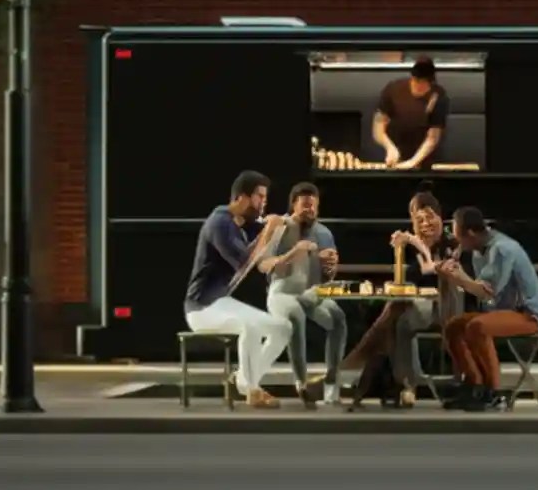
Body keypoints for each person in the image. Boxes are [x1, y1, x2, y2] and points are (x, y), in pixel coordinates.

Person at [339, 181, 460, 410]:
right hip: (419, 307)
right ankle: (404, 384)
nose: (425, 224)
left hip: (446, 307)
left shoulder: (451, 243)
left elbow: (434, 270)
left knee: (394, 313)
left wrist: (414, 242)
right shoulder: (416, 250)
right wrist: (400, 251)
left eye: (430, 218)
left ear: (441, 217)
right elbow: (407, 283)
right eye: (419, 220)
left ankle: (359, 366)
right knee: (398, 321)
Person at [183, 170, 292, 409]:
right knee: (250, 326)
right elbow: (245, 262)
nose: (263, 203)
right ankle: (252, 390)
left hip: (222, 302)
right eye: (259, 197)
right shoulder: (220, 222)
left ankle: (243, 379)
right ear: (241, 197)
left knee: (283, 328)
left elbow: (260, 256)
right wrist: (269, 231)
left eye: (265, 198)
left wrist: (278, 230)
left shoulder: (244, 224)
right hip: (201, 308)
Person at [436, 206, 538, 412]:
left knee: (477, 327)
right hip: (499, 311)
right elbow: (481, 289)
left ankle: (494, 393)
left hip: (527, 314)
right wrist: (457, 277)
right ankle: (474, 385)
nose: (457, 241)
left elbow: (488, 292)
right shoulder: (479, 251)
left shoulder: (503, 249)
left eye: (459, 236)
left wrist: (459, 278)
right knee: (453, 327)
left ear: (471, 234)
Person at [260, 182, 346, 408]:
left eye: (314, 206)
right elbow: (264, 265)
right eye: (305, 205)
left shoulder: (324, 233)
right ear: (294, 205)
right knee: (295, 314)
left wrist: (330, 267)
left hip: (311, 292)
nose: (310, 210)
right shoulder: (280, 227)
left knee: (338, 318)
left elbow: (328, 276)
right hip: (282, 291)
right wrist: (294, 251)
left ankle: (331, 385)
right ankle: (302, 383)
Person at [372, 57, 449, 171]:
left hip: (424, 157)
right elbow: (378, 126)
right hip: (393, 153)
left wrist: (412, 162)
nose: (420, 88)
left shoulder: (438, 96)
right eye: (417, 82)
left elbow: (433, 137)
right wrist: (389, 147)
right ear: (412, 78)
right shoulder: (393, 89)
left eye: (424, 84)